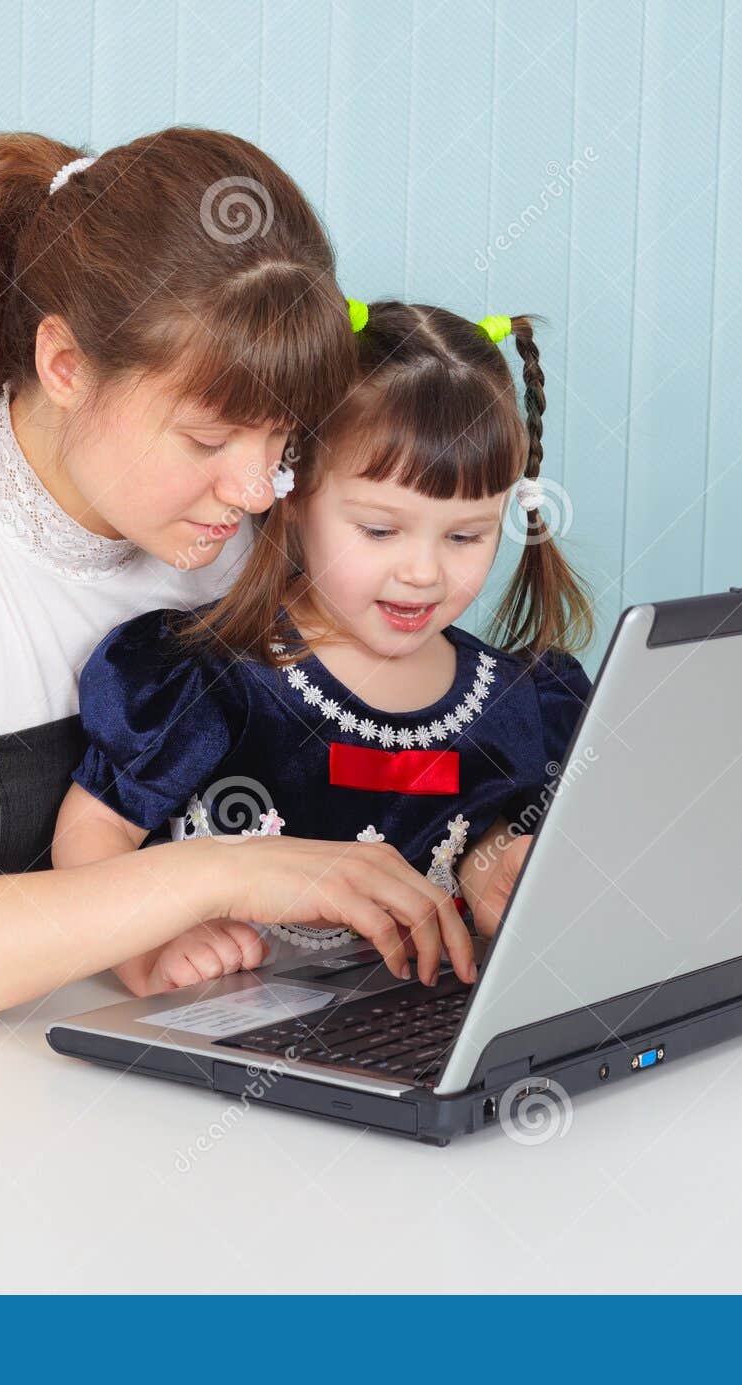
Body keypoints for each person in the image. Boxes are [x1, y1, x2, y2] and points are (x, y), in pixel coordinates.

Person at [0, 130, 468, 1036]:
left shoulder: (251, 527)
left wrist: (484, 850)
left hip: (206, 1073)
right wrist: (226, 872)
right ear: (65, 365)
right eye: (208, 441)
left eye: (283, 440)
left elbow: (391, 753)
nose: (256, 491)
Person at [52, 300, 593, 999]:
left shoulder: (517, 702)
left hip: (398, 1042)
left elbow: (456, 812)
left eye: (465, 537)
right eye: (378, 530)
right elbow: (92, 829)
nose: (424, 571)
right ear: (294, 492)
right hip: (221, 1037)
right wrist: (152, 943)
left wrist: (492, 867)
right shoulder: (215, 682)